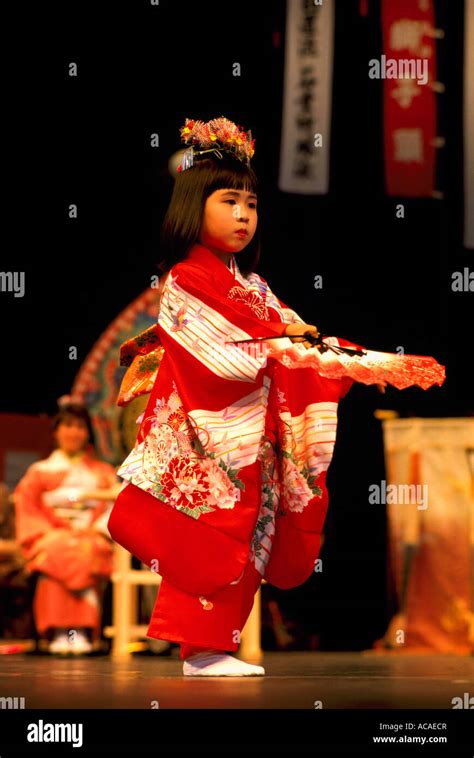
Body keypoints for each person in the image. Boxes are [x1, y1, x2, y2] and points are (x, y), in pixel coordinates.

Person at [108, 116, 445, 676]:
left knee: (252, 532)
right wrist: (298, 351)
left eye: (252, 205)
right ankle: (202, 649)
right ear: (193, 206)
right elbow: (225, 359)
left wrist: (362, 362)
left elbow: (299, 338)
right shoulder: (186, 280)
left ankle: (211, 649)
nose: (244, 215)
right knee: (210, 536)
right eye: (229, 201)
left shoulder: (252, 286)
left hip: (248, 439)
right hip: (206, 435)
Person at [14, 397, 122, 654]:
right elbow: (26, 506)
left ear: (88, 433)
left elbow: (114, 506)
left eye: (80, 427)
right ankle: (59, 632)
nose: (74, 432)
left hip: (91, 534)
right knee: (56, 548)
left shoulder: (103, 471)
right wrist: (48, 531)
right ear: (56, 430)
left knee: (84, 548)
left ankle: (84, 632)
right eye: (68, 426)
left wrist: (96, 529)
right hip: (51, 533)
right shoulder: (39, 471)